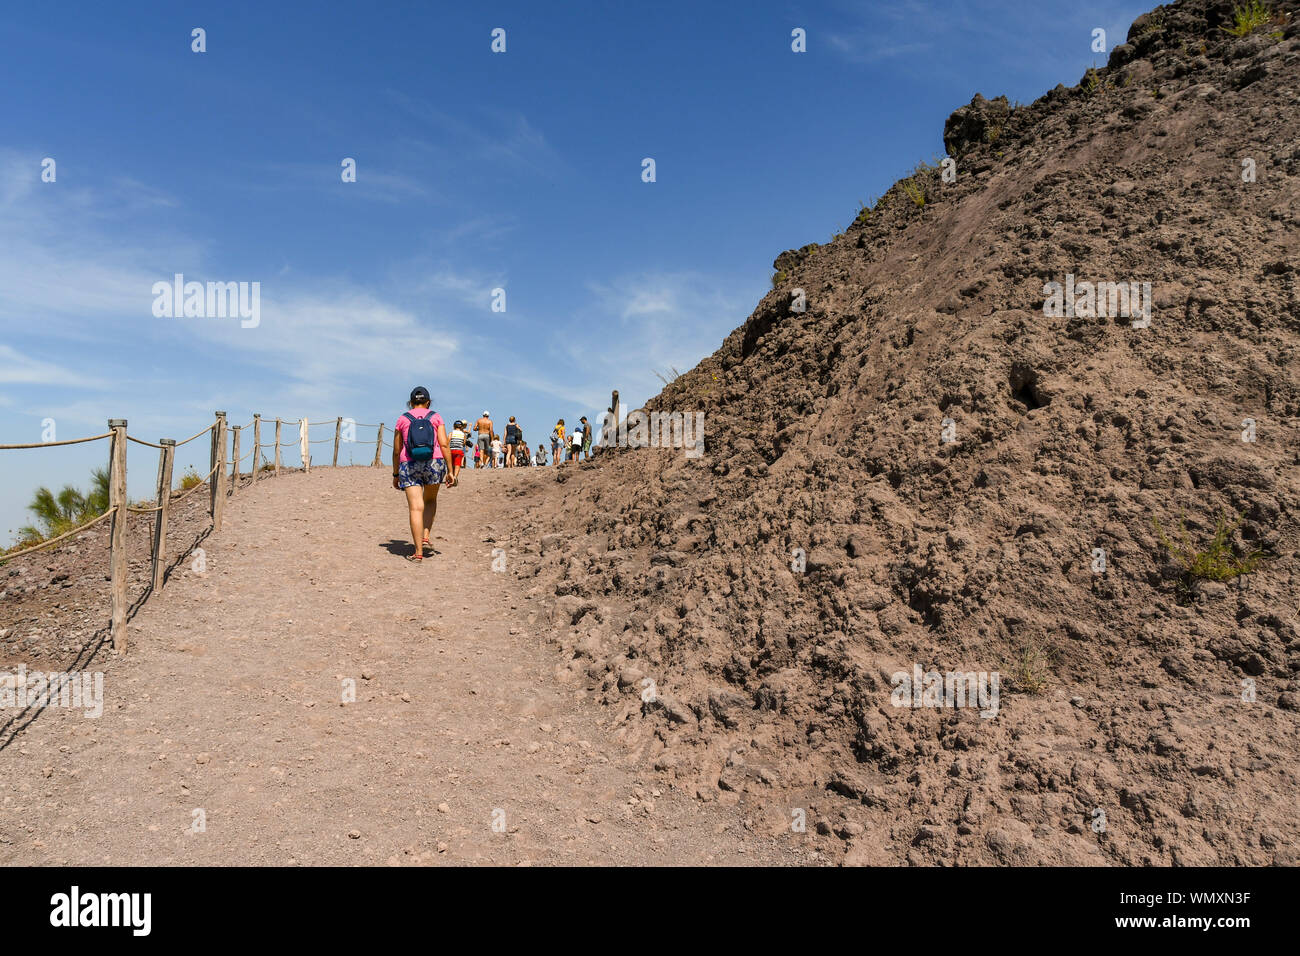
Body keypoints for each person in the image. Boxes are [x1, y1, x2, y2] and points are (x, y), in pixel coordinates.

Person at [392, 386, 452, 563]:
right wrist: (450, 471)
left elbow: (397, 450)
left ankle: (418, 553)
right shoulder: (435, 417)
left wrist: (396, 474)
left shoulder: (403, 419)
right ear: (428, 402)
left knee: (415, 508)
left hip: (408, 464)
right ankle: (426, 536)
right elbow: (444, 444)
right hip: (434, 462)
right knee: (430, 500)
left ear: (411, 403)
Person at [448, 419, 468, 484]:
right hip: (459, 451)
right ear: (461, 427)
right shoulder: (463, 434)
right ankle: (455, 477)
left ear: (454, 426)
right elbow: (464, 443)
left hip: (451, 451)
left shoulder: (451, 433)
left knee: (451, 464)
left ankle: (450, 476)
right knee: (457, 464)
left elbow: (447, 441)